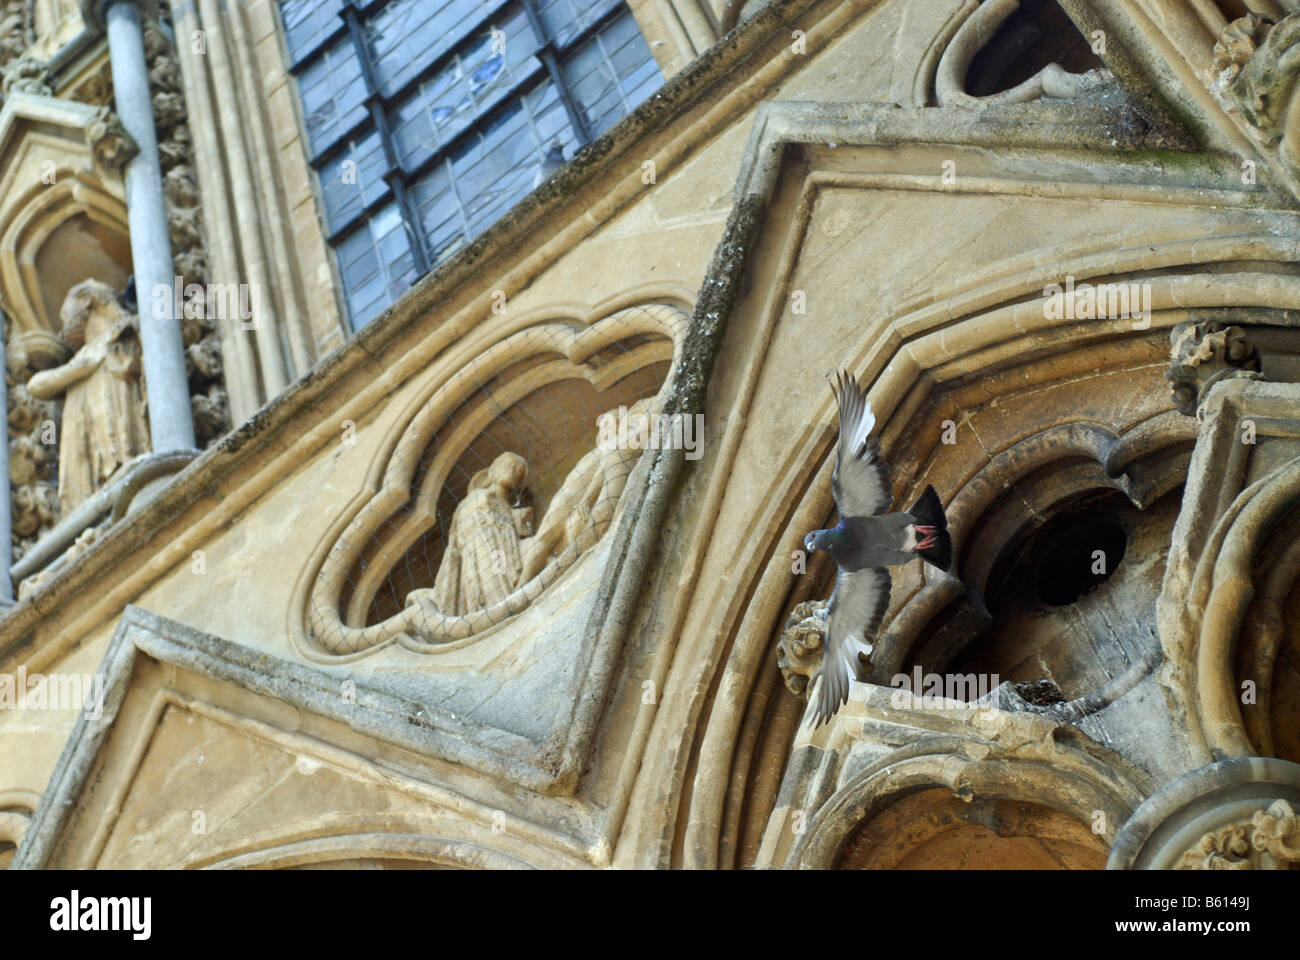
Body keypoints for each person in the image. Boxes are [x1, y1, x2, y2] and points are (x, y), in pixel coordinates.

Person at [27, 280, 149, 512]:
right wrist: (79, 369)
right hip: (86, 474)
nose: (63, 327)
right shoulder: (82, 358)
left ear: (85, 300)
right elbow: (36, 386)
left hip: (126, 447)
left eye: (65, 314)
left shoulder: (125, 331)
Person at [427, 451, 533, 614]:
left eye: (518, 471)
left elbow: (510, 536)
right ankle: (495, 607)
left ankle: (505, 599)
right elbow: (460, 534)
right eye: (509, 466)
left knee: (501, 575)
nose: (513, 470)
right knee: (488, 583)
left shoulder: (507, 507)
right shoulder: (477, 496)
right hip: (480, 548)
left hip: (501, 550)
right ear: (494, 470)